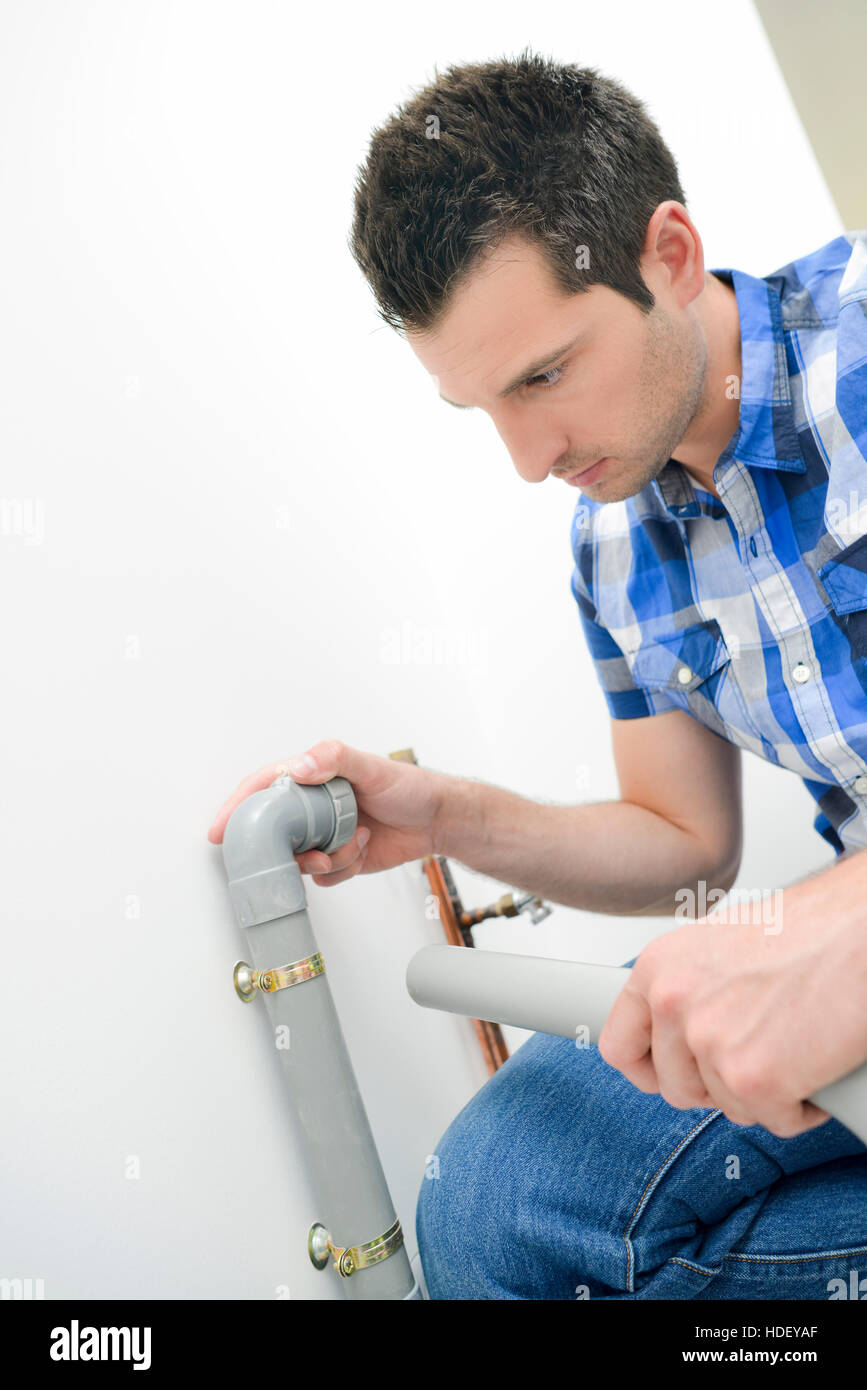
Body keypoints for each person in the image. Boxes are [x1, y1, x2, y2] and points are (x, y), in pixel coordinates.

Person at [208, 52, 867, 1299]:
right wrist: (445, 817)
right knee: (502, 1204)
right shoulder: (614, 539)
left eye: (544, 376)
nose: (529, 458)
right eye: (481, 411)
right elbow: (684, 841)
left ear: (668, 253)